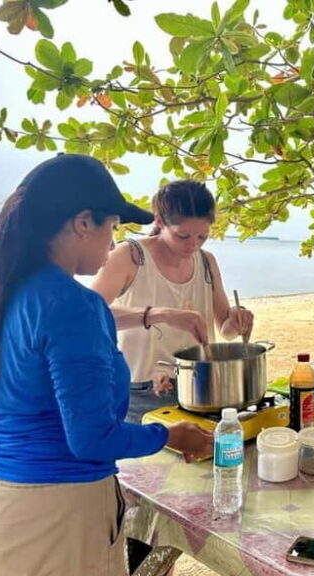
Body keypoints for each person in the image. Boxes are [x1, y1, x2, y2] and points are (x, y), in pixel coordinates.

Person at [0, 154, 212, 576]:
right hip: (53, 513)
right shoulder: (74, 304)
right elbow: (92, 439)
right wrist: (168, 435)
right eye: (111, 226)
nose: (112, 240)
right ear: (82, 223)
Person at [91, 179, 254, 424]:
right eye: (183, 235)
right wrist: (160, 314)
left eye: (202, 236)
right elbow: (89, 315)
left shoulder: (207, 261)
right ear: (159, 222)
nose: (193, 245)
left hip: (201, 387)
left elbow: (226, 331)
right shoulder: (130, 256)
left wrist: (237, 318)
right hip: (140, 392)